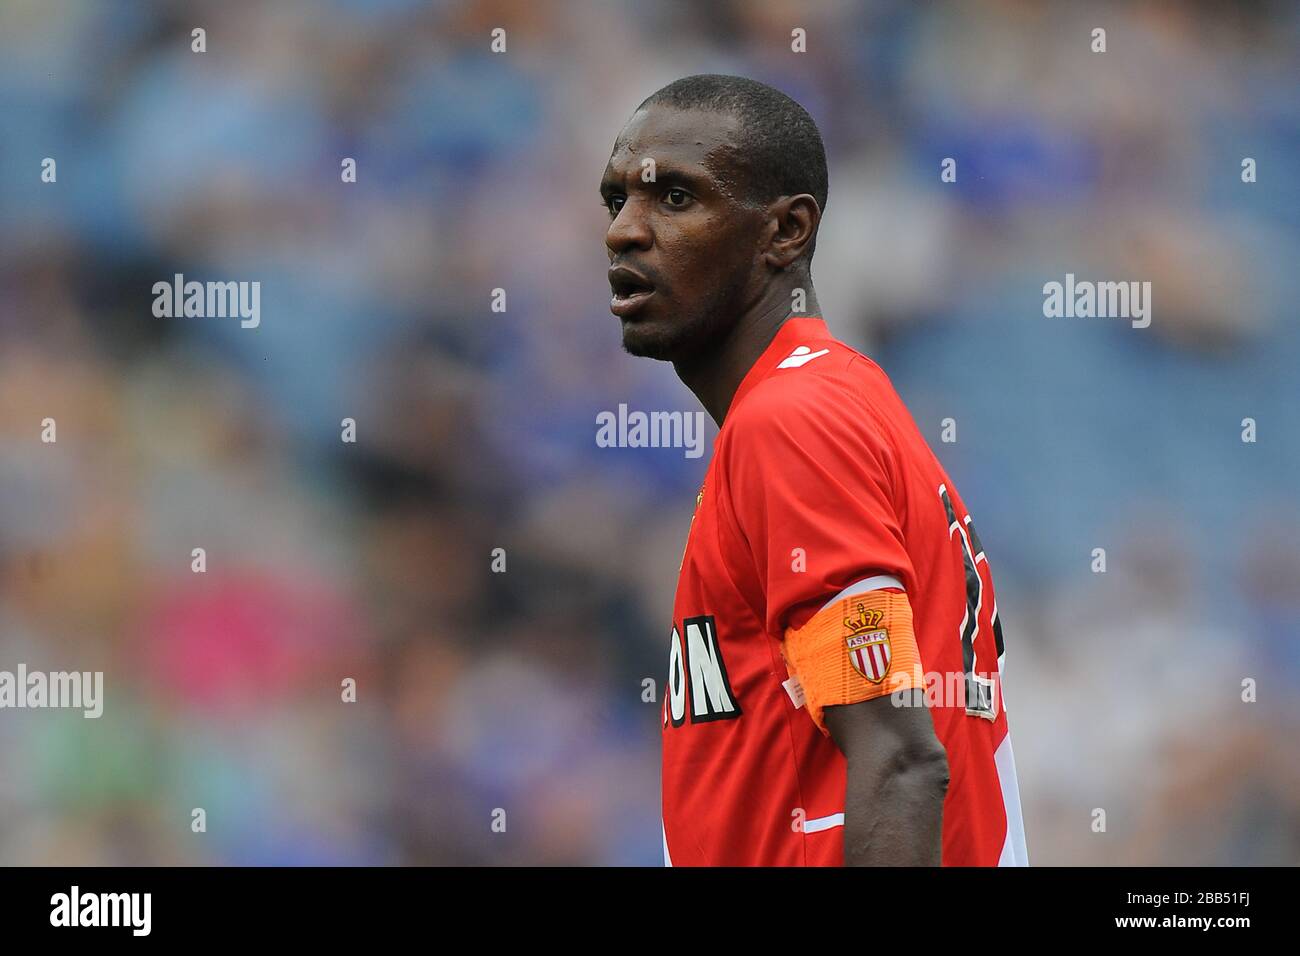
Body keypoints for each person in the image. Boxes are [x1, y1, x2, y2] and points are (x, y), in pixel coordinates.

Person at [599, 74, 1028, 866]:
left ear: (786, 232)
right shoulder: (833, 398)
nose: (625, 231)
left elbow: (900, 759)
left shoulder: (793, 422)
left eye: (676, 199)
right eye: (616, 200)